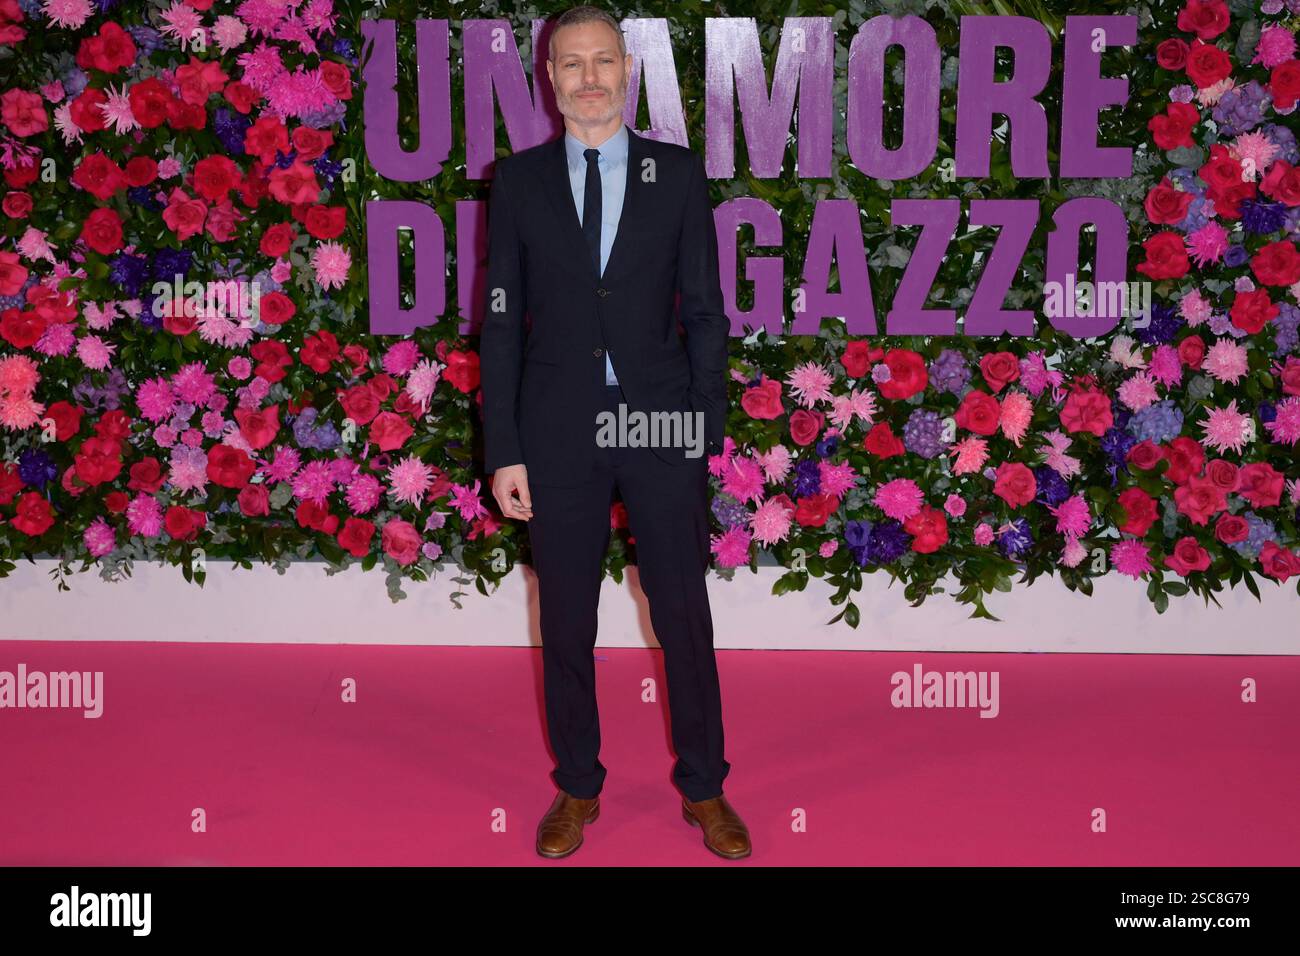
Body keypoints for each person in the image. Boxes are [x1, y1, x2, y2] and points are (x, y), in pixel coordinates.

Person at [478, 4, 750, 860]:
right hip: (556, 430)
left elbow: (705, 312)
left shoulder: (676, 175)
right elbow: (499, 323)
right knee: (565, 620)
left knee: (682, 613)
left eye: (603, 62)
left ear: (627, 72)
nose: (588, 79)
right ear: (548, 80)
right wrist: (506, 448)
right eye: (570, 65)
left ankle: (705, 787)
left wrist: (702, 423)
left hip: (662, 421)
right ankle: (578, 786)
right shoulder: (516, 182)